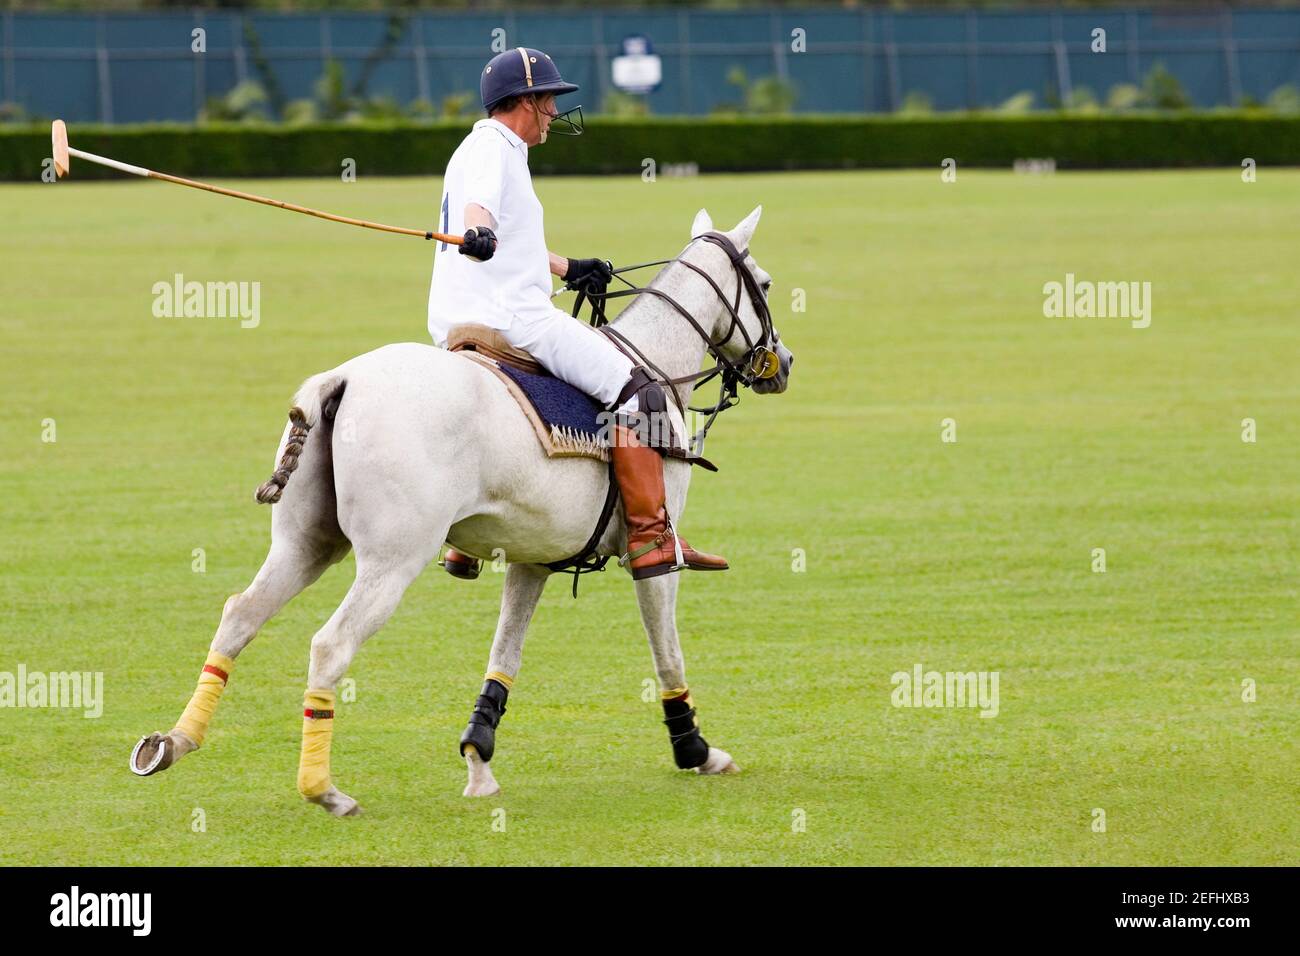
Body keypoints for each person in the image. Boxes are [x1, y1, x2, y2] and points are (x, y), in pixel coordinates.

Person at [427, 47, 726, 582]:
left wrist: (569, 268)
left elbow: (507, 241)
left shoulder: (480, 147)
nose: (554, 112)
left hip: (455, 321)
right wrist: (479, 229)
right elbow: (482, 214)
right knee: (641, 393)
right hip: (515, 318)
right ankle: (652, 536)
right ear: (523, 101)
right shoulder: (496, 149)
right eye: (549, 100)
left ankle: (465, 542)